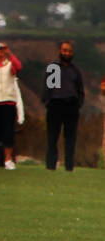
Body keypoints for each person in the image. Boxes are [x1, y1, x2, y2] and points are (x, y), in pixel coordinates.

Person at [42, 40, 84, 171]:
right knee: (52, 137)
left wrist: (79, 103)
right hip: (55, 105)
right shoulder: (53, 67)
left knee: (70, 138)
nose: (67, 53)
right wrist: (48, 103)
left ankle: (69, 166)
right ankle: (50, 165)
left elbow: (80, 89)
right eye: (65, 50)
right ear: (60, 51)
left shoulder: (75, 70)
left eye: (69, 51)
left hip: (71, 105)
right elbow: (47, 88)